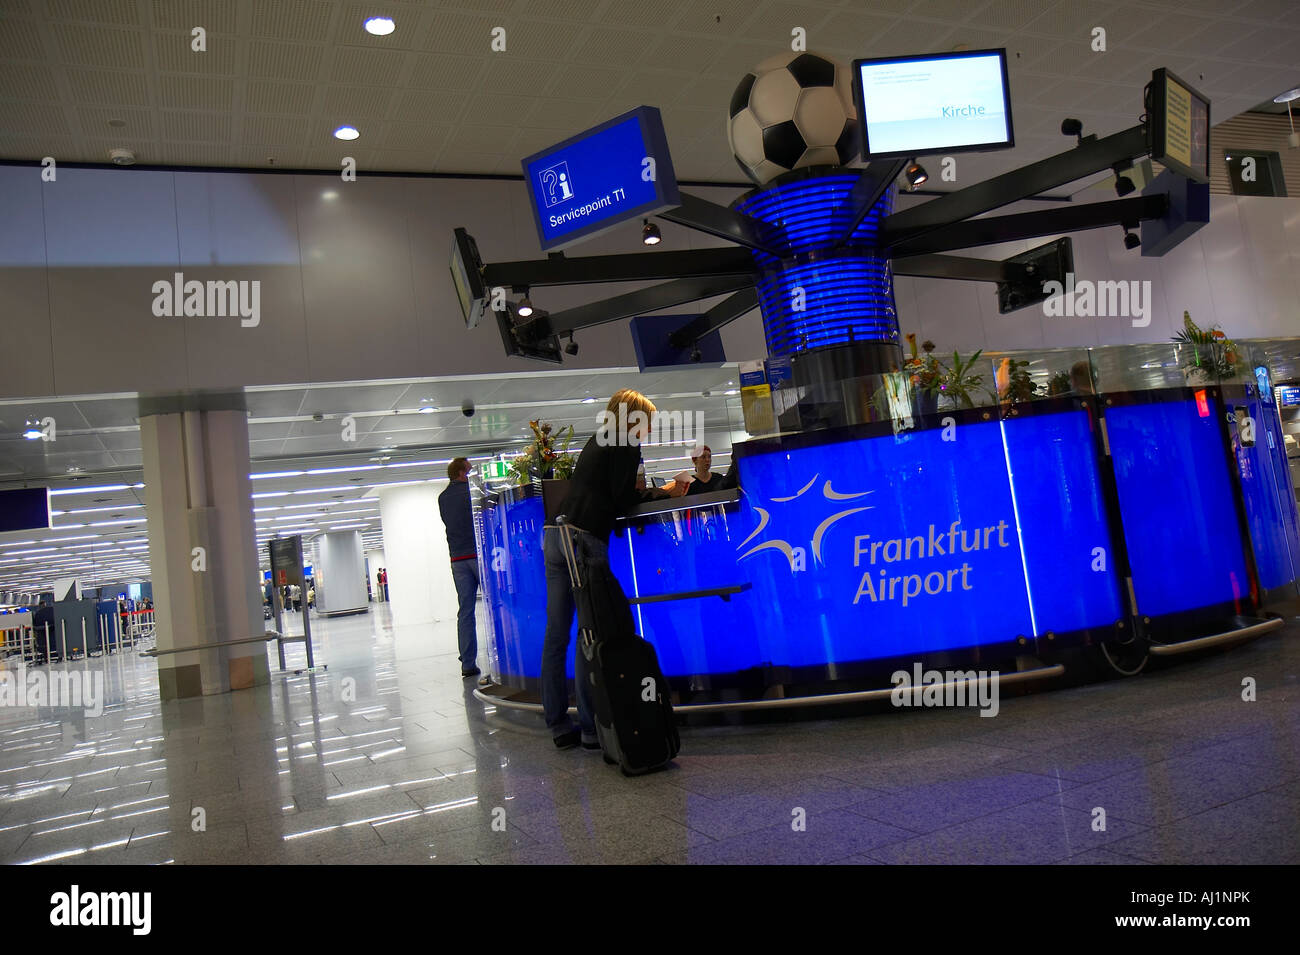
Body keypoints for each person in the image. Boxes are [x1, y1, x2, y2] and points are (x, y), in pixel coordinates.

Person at [541, 388, 687, 750]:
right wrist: (665, 492)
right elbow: (622, 500)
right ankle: (592, 728)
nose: (649, 429)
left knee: (556, 634)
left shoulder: (597, 439)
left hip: (555, 536)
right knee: (590, 633)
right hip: (584, 540)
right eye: (648, 421)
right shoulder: (625, 442)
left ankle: (559, 724)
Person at [438, 457, 481, 677]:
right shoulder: (471, 493)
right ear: (462, 473)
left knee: (465, 611)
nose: (472, 475)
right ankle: (505, 658)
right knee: (496, 605)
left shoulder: (443, 498)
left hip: (457, 559)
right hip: (478, 555)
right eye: (470, 471)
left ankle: (467, 663)